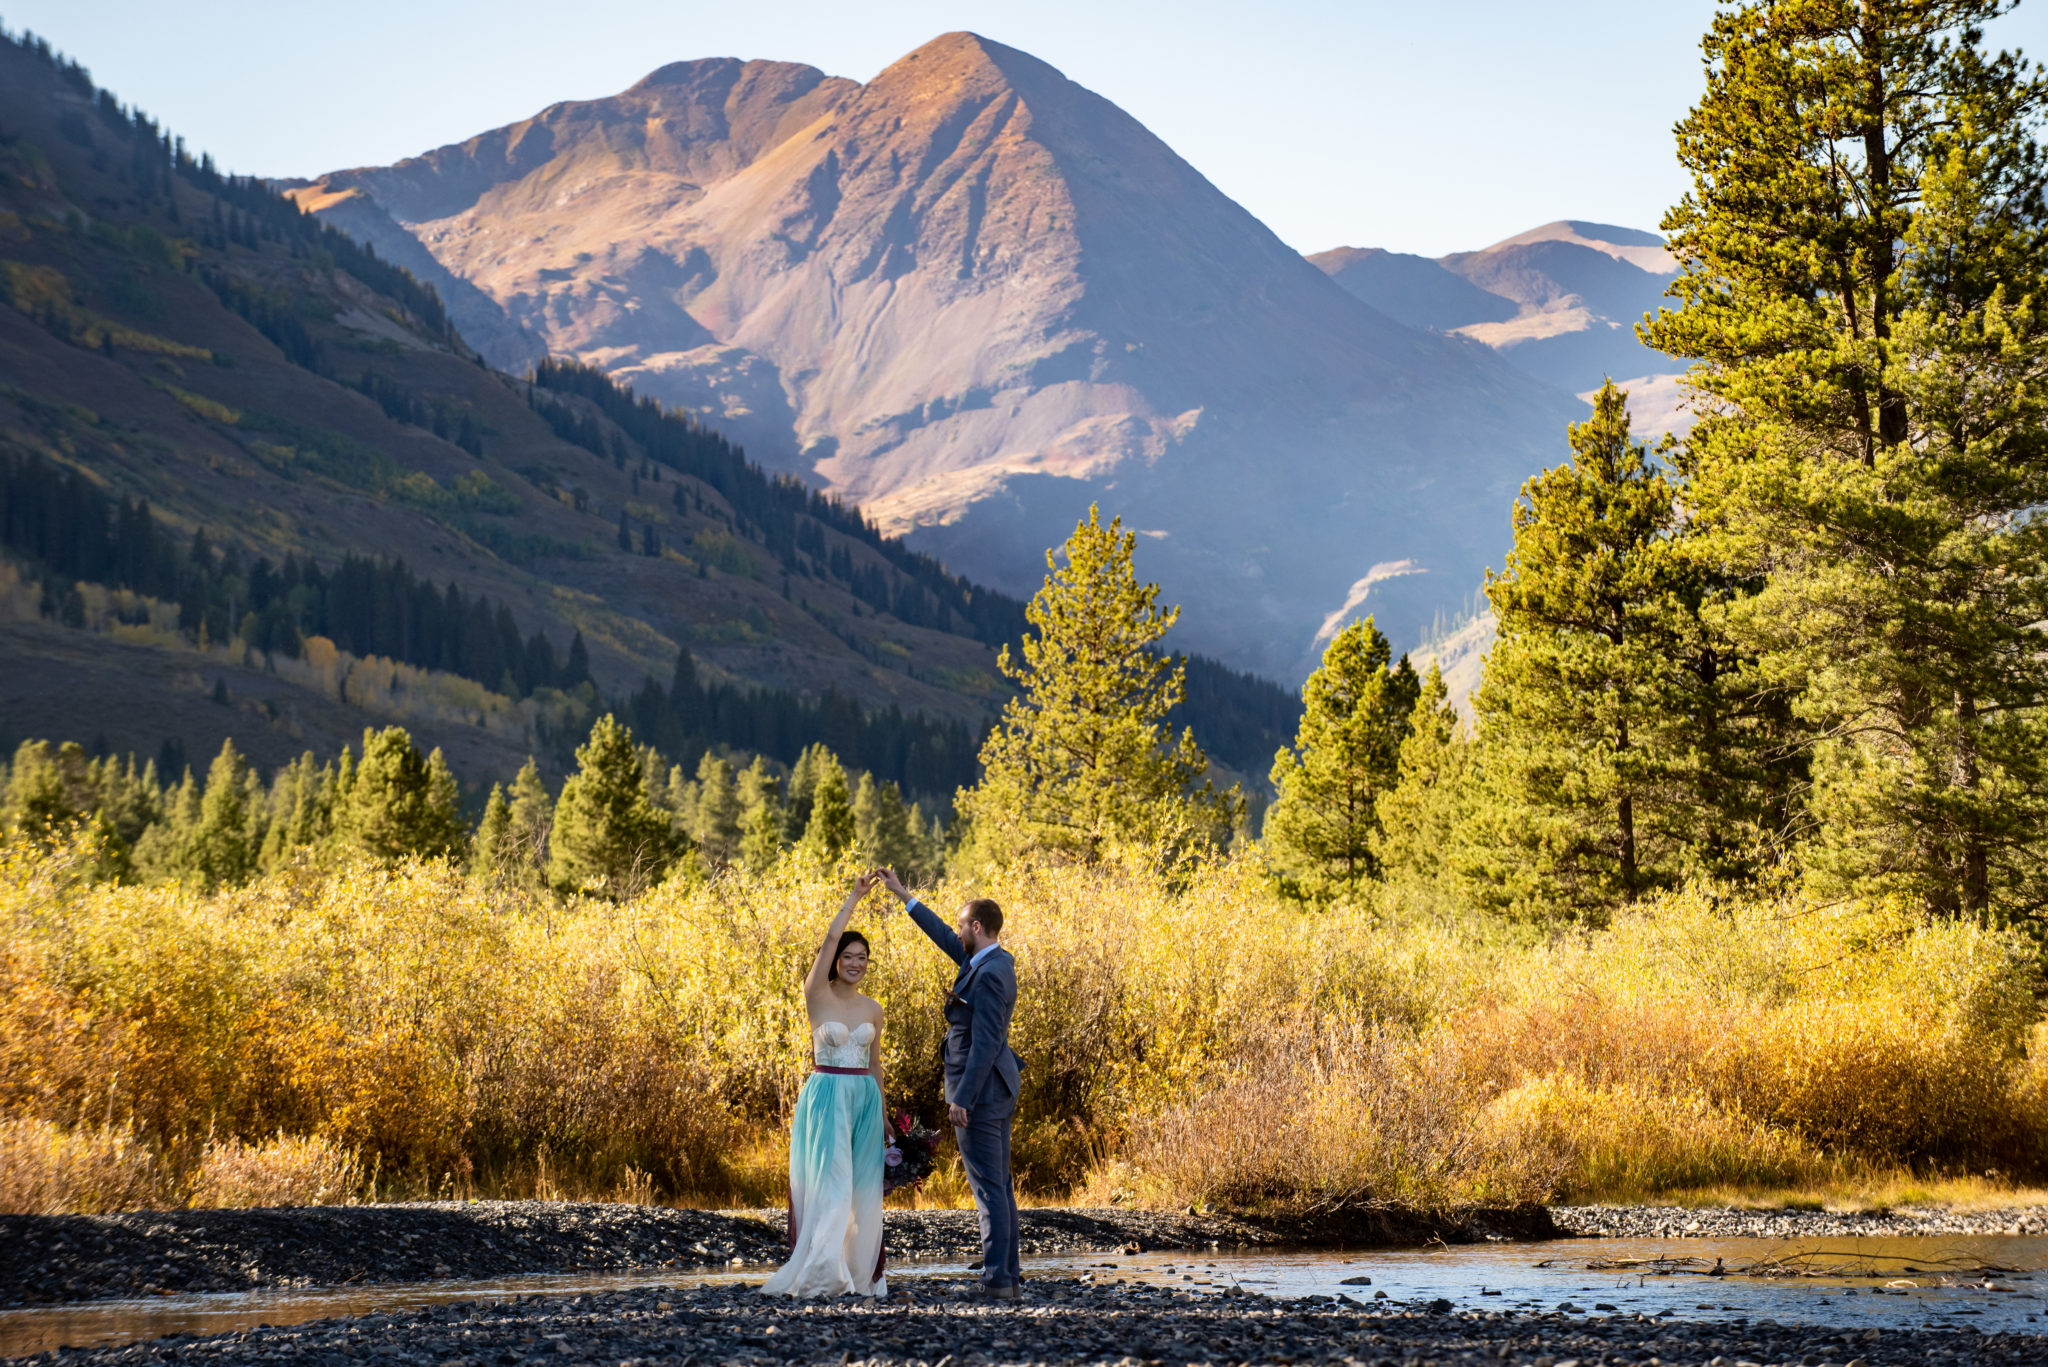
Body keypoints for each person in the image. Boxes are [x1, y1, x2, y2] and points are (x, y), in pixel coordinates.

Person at [876, 867, 1022, 1298]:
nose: (957, 933)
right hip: (996, 1089)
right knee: (1001, 1185)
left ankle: (997, 1279)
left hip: (982, 1093)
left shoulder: (991, 972)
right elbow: (941, 934)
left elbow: (987, 1043)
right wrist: (903, 895)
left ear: (977, 927)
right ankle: (1008, 1278)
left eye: (962, 926)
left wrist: (963, 1098)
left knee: (990, 1187)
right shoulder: (985, 961)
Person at [760, 871, 888, 1298]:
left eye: (863, 958)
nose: (855, 963)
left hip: (864, 1101)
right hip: (827, 1095)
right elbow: (830, 937)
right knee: (833, 1183)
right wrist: (854, 897)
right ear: (836, 960)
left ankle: (859, 1271)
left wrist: (886, 1118)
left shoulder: (873, 1009)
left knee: (861, 1190)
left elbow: (875, 1065)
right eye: (849, 956)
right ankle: (821, 1273)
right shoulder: (817, 994)